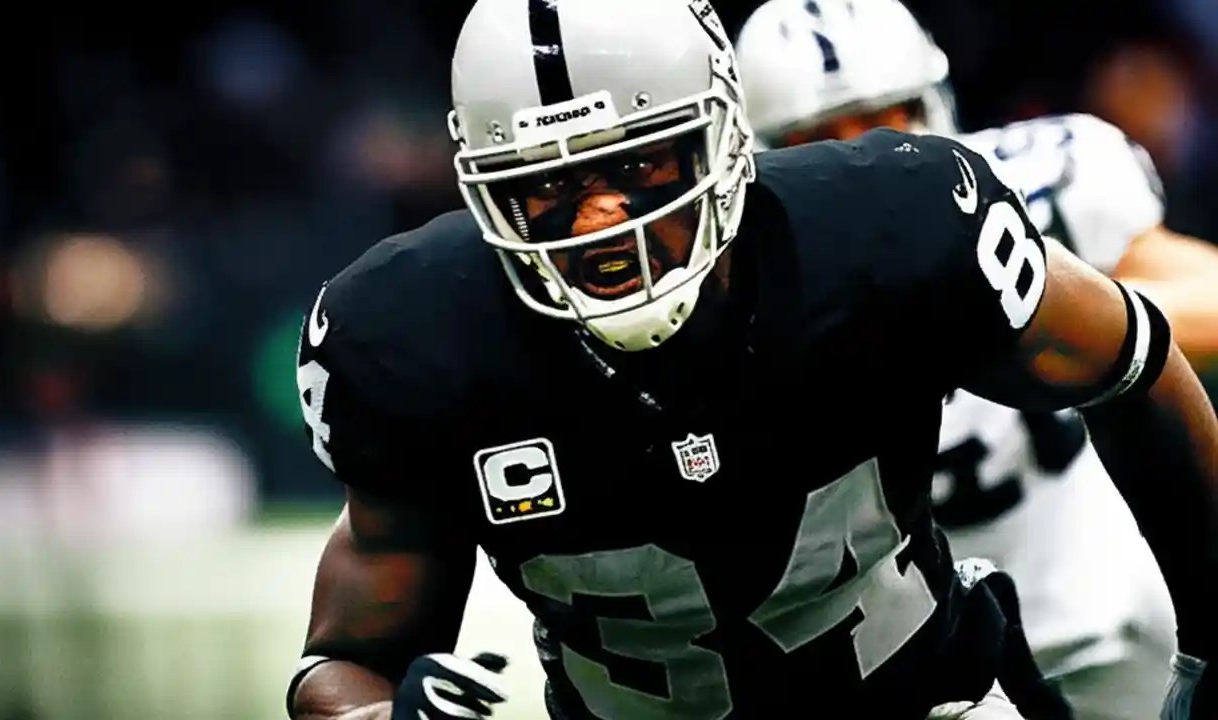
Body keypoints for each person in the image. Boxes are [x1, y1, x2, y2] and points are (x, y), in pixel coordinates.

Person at [286, 0, 1218, 718]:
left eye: (641, 164)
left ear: (727, 140)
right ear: (486, 192)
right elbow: (339, 658)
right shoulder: (407, 334)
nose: (606, 221)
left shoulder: (894, 226)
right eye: (552, 186)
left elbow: (1136, 360)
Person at [734, 1, 1218, 717]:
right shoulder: (732, 292)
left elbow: (1204, 295)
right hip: (913, 659)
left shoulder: (1018, 194)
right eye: (814, 140)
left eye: (885, 122)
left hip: (1108, 619)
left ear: (933, 105)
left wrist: (1037, 315)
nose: (860, 158)